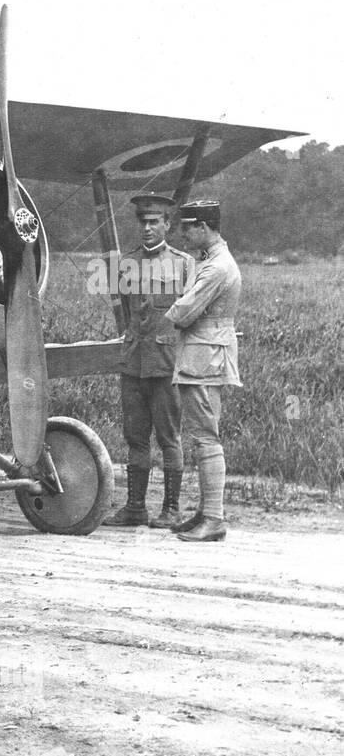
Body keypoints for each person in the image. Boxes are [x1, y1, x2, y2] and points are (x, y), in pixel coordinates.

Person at [103, 193, 194, 527]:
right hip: (133, 364)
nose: (147, 228)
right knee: (135, 437)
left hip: (166, 365)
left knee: (170, 438)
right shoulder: (125, 263)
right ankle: (135, 508)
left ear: (167, 225)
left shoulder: (184, 264)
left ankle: (171, 509)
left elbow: (190, 315)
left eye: (154, 222)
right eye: (142, 221)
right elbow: (128, 315)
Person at [166, 200, 241, 542]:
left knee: (205, 437)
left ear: (203, 227)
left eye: (187, 227)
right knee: (200, 435)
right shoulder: (213, 262)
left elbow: (184, 312)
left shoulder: (216, 268)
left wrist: (162, 322)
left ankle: (213, 518)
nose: (182, 234)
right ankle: (205, 513)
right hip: (204, 356)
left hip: (204, 359)